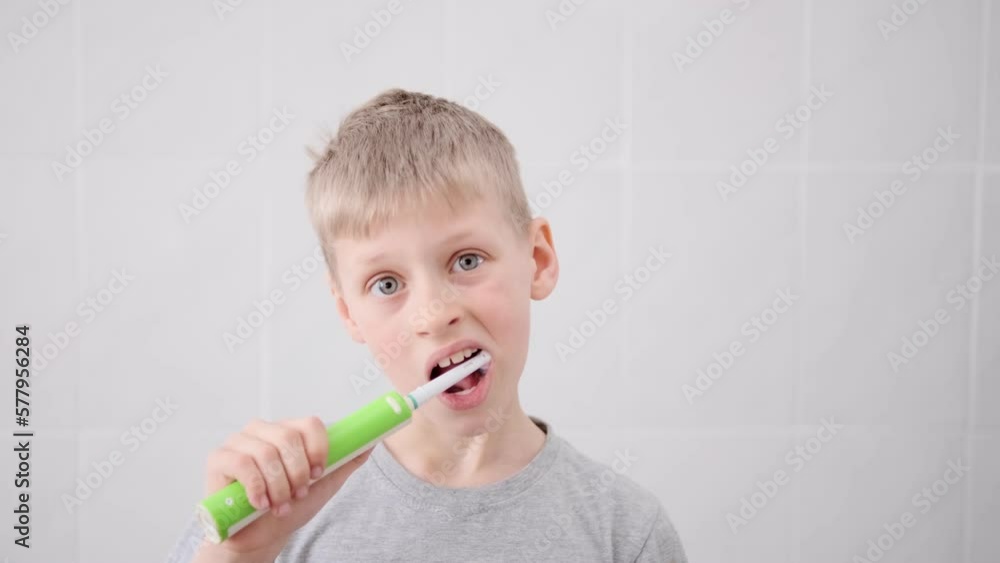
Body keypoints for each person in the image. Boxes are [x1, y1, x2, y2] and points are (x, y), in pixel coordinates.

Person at [171, 88, 687, 563]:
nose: (434, 314)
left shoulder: (623, 530)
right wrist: (240, 556)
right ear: (348, 311)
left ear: (537, 257)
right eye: (387, 284)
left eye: (466, 261)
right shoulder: (269, 516)